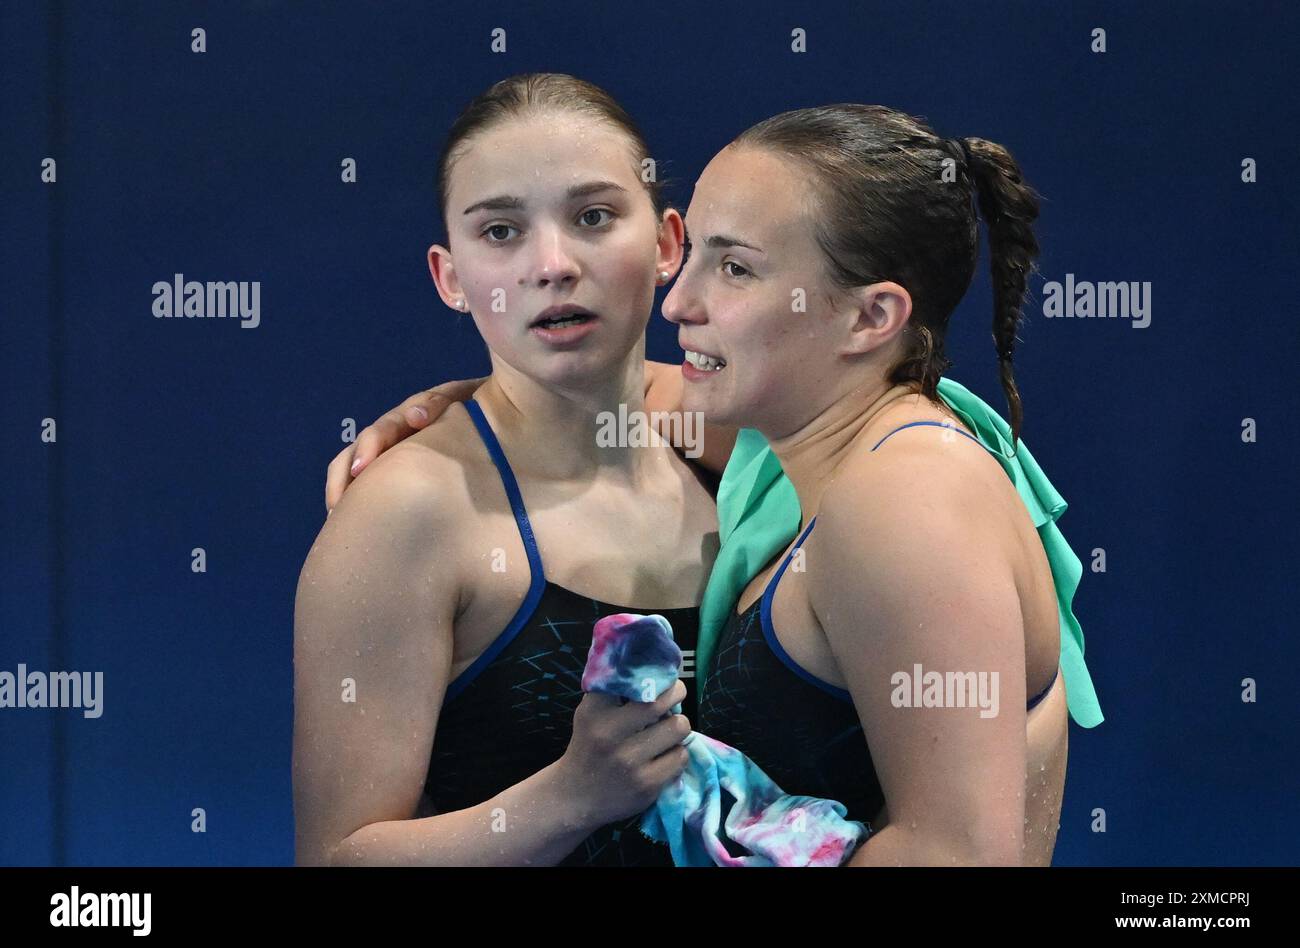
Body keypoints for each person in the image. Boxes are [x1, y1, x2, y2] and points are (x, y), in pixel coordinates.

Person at [328, 100, 1105, 866]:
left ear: (871, 318)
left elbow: (959, 857)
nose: (681, 302)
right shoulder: (786, 442)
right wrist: (477, 404)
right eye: (500, 231)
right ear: (450, 272)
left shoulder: (906, 496)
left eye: (735, 267)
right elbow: (603, 401)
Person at [293, 73, 719, 866]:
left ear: (666, 244)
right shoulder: (405, 512)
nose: (552, 264)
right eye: (499, 233)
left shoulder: (752, 439)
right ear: (450, 277)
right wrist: (568, 798)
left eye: (593, 217)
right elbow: (335, 859)